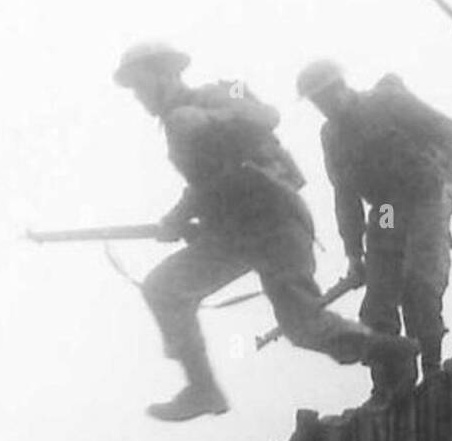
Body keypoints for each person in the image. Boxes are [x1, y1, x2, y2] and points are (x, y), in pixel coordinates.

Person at [112, 42, 418, 421]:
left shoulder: (220, 91)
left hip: (275, 220)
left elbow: (267, 115)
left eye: (141, 85)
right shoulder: (174, 125)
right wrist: (176, 219)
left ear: (166, 74)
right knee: (163, 287)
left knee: (304, 327)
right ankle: (202, 388)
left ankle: (392, 351)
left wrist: (207, 119)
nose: (139, 97)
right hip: (233, 232)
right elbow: (206, 183)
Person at [296, 60, 452, 402]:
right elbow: (345, 196)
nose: (325, 105)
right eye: (317, 101)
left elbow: (449, 131)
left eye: (328, 95)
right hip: (387, 209)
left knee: (420, 280)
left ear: (342, 86)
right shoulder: (331, 137)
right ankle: (391, 383)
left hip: (424, 194)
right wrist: (354, 254)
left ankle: (432, 366)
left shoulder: (387, 101)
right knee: (378, 300)